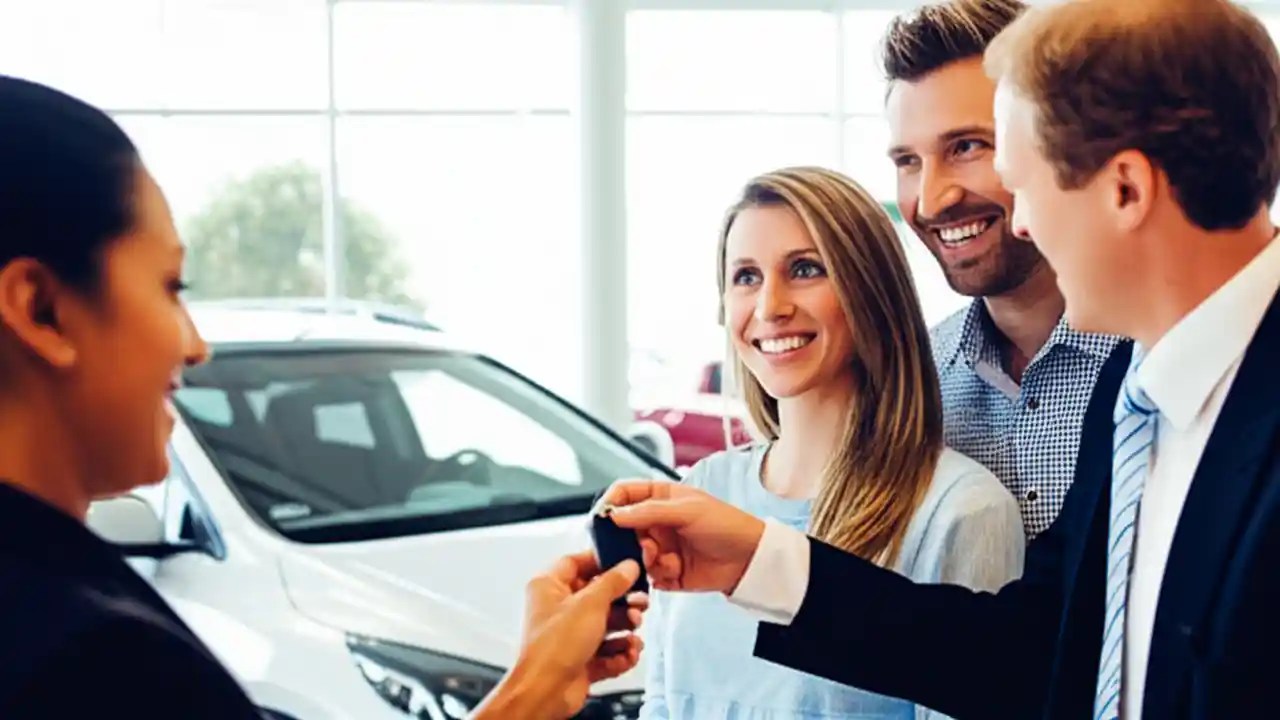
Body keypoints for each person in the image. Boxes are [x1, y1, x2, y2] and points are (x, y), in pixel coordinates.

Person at [605, 0, 1280, 718]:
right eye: (907, 160)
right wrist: (760, 560)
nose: (1019, 219)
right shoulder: (1136, 391)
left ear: (1125, 190)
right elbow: (1034, 650)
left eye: (1017, 176)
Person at [0, 74, 645, 720]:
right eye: (172, 285)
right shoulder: (96, 662)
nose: (194, 345)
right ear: (42, 309)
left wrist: (530, 690)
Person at [638, 167, 1024, 719]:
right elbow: (662, 703)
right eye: (746, 276)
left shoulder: (958, 510)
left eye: (804, 269)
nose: (770, 305)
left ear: (870, 291)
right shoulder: (704, 492)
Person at [882, 0, 1122, 538]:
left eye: (967, 146)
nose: (931, 199)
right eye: (908, 162)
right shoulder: (914, 390)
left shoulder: (1162, 365)